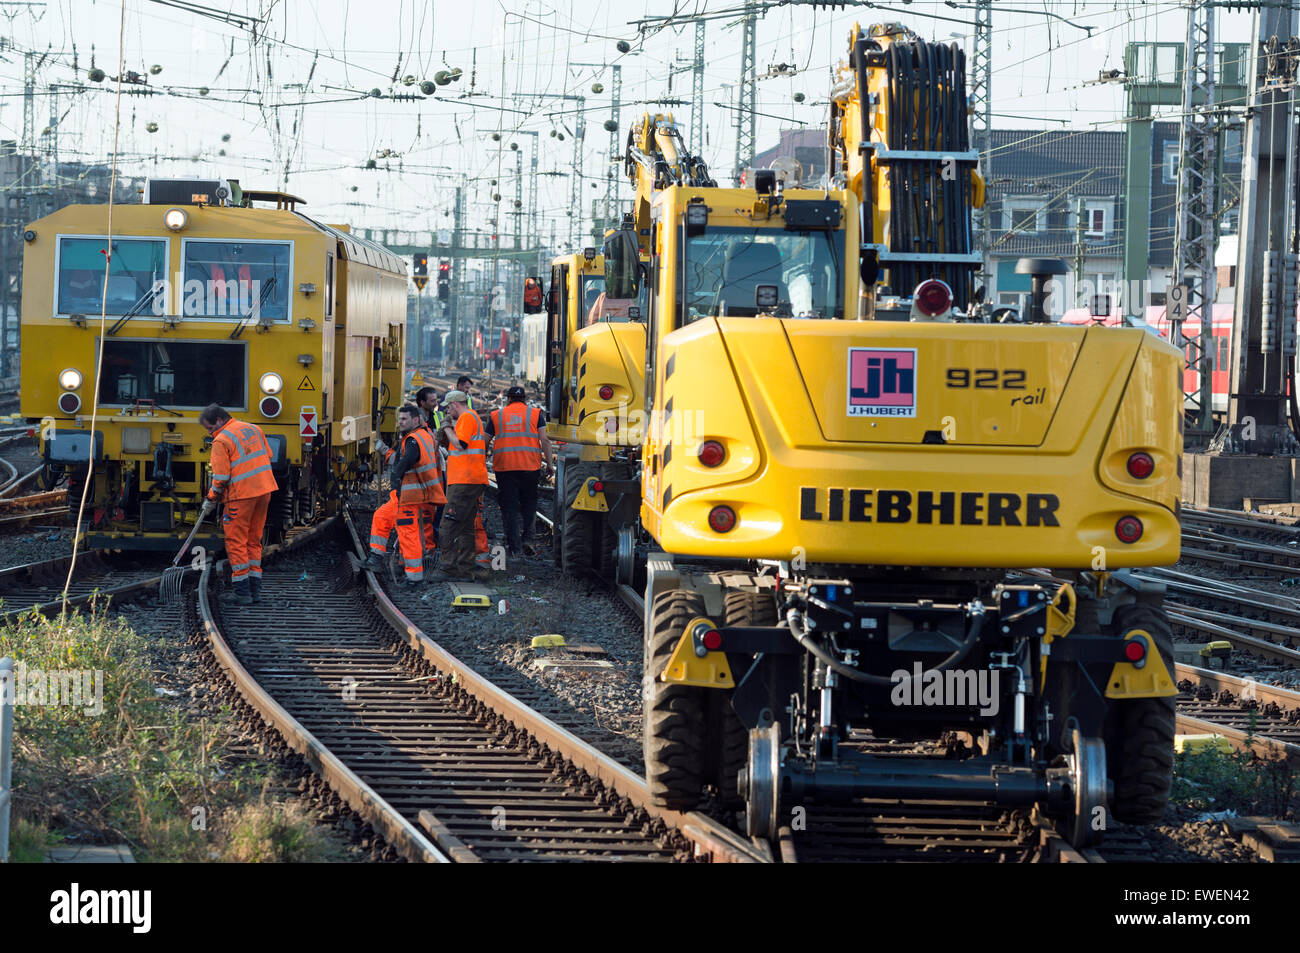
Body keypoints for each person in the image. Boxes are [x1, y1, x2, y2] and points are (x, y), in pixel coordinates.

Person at [200, 404, 278, 606]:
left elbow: (221, 477)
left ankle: (242, 593)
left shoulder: (221, 440)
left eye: (209, 428)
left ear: (218, 420)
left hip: (241, 497)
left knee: (236, 542)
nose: (210, 432)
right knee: (253, 541)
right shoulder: (253, 428)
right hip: (264, 491)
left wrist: (210, 499)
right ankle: (255, 590)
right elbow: (267, 456)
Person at [361, 406, 442, 584]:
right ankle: (376, 557)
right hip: (403, 494)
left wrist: (397, 473)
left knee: (408, 532)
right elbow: (401, 458)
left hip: (409, 495)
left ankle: (414, 577)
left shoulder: (413, 440)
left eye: (404, 419)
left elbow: (407, 460)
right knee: (381, 516)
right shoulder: (421, 436)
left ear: (415, 420)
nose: (401, 422)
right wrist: (386, 452)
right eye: (400, 419)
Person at [487, 385, 554, 557]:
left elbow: (485, 440)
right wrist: (549, 464)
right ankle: (528, 540)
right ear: (524, 398)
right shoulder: (535, 414)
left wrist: (481, 460)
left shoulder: (496, 415)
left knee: (509, 507)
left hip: (505, 468)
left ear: (508, 399)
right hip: (530, 467)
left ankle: (514, 547)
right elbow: (545, 440)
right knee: (529, 504)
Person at [431, 389, 488, 582]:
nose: (447, 412)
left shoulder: (466, 418)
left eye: (448, 408)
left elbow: (461, 444)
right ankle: (465, 569)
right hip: (471, 479)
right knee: (465, 527)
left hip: (464, 480)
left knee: (448, 524)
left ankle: (449, 568)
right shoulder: (472, 418)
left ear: (455, 404)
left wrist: (447, 428)